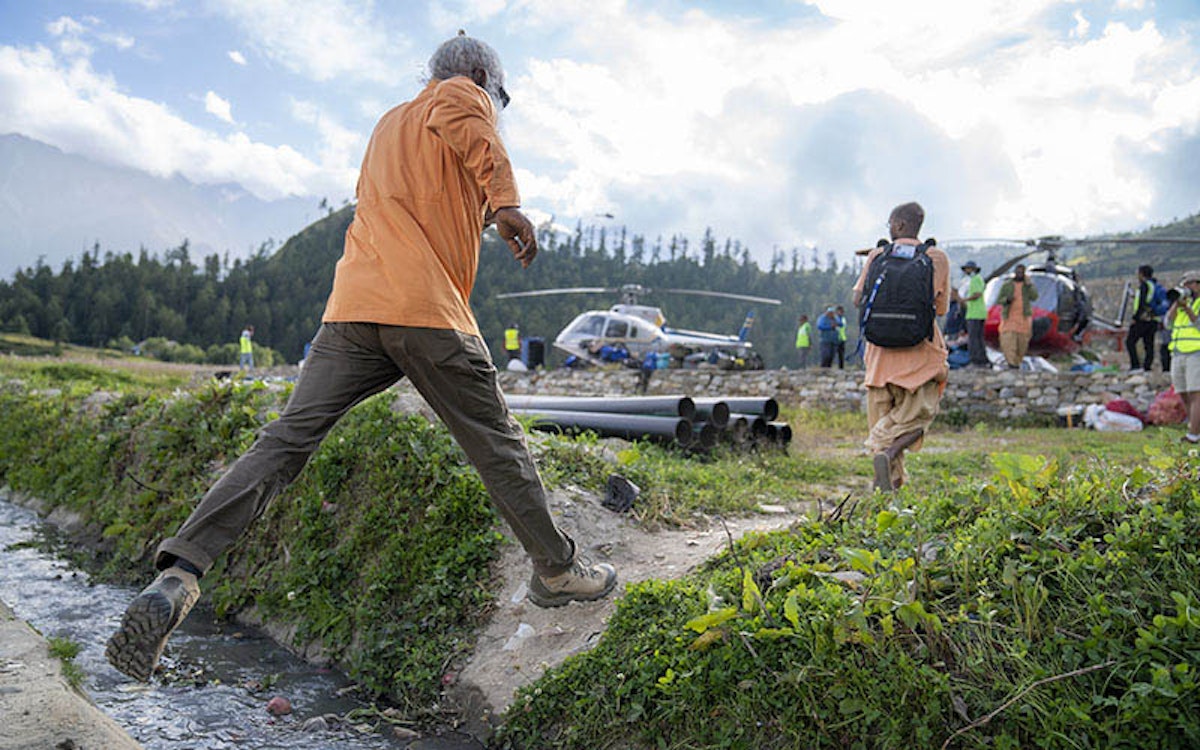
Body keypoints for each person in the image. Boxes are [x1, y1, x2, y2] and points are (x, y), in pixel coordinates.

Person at [106, 34, 618, 683]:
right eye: (498, 96)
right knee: (497, 443)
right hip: (424, 309)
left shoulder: (388, 126)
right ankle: (557, 570)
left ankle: (182, 570)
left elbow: (418, 194)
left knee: (286, 440)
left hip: (353, 308)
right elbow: (471, 125)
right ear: (481, 76)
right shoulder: (461, 94)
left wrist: (485, 210)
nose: (493, 107)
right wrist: (509, 203)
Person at [853, 201, 949, 492]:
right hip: (920, 359)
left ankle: (888, 490)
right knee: (918, 418)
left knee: (882, 420)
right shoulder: (936, 258)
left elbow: (858, 300)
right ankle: (889, 451)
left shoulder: (878, 255)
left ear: (898, 225)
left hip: (879, 360)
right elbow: (941, 309)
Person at [1165, 270, 1200, 444]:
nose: (1187, 287)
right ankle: (1194, 428)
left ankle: (1193, 435)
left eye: (1191, 283)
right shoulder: (1181, 303)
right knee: (1184, 393)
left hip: (1196, 352)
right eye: (1184, 284)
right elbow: (1167, 324)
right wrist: (1176, 306)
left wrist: (1189, 311)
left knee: (1196, 394)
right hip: (1178, 352)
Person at [996, 264, 1038, 368]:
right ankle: (1011, 364)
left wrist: (1029, 285)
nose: (1019, 274)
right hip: (1009, 318)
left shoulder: (1028, 286)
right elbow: (999, 300)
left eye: (1022, 272)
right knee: (1008, 342)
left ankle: (1017, 363)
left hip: (1024, 319)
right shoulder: (1007, 285)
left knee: (1022, 344)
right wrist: (1007, 300)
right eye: (1018, 272)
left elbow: (1034, 297)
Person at [1126, 264, 1160, 372]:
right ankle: (1147, 366)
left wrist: (1135, 318)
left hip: (1143, 319)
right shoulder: (1154, 285)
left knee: (1130, 341)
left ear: (1141, 274)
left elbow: (1142, 303)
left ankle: (1135, 365)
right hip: (1153, 319)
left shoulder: (1144, 286)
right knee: (1148, 344)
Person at [959, 260, 989, 367]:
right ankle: (982, 359)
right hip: (976, 313)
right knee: (978, 338)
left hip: (975, 313)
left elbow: (977, 294)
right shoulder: (976, 279)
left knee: (973, 338)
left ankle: (976, 360)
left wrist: (965, 300)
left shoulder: (975, 279)